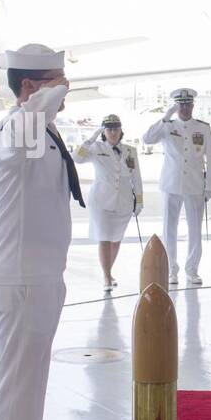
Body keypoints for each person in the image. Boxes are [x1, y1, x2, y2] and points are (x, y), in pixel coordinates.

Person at [0, 43, 82, 420]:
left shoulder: (42, 129)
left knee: (32, 382)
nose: (66, 90)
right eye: (56, 80)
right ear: (29, 86)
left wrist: (50, 88)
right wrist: (46, 92)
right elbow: (30, 116)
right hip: (20, 279)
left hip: (41, 277)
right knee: (17, 385)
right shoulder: (16, 128)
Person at [142, 88, 211, 285]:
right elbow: (147, 139)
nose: (184, 108)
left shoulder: (203, 128)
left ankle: (192, 270)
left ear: (193, 105)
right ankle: (171, 269)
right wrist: (166, 116)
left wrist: (210, 186)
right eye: (180, 105)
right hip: (171, 183)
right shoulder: (167, 126)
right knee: (169, 228)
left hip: (195, 184)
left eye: (187, 104)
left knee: (195, 229)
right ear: (176, 106)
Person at [75, 113, 142, 292]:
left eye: (116, 128)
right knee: (104, 239)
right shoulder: (96, 148)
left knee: (116, 240)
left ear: (121, 131)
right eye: (109, 129)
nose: (113, 132)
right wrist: (90, 139)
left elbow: (137, 177)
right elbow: (77, 158)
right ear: (104, 131)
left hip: (124, 202)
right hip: (101, 202)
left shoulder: (130, 151)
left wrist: (139, 201)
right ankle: (106, 276)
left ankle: (109, 272)